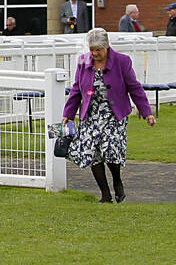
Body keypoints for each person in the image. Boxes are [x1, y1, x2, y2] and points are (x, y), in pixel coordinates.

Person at [61, 28, 155, 204]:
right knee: (93, 152)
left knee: (110, 149)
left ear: (107, 46)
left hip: (114, 113)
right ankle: (105, 194)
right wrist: (68, 113)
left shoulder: (122, 61)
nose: (95, 53)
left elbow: (134, 87)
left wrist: (147, 112)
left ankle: (117, 182)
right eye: (92, 49)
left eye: (99, 49)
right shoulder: (83, 62)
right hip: (91, 112)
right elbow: (76, 89)